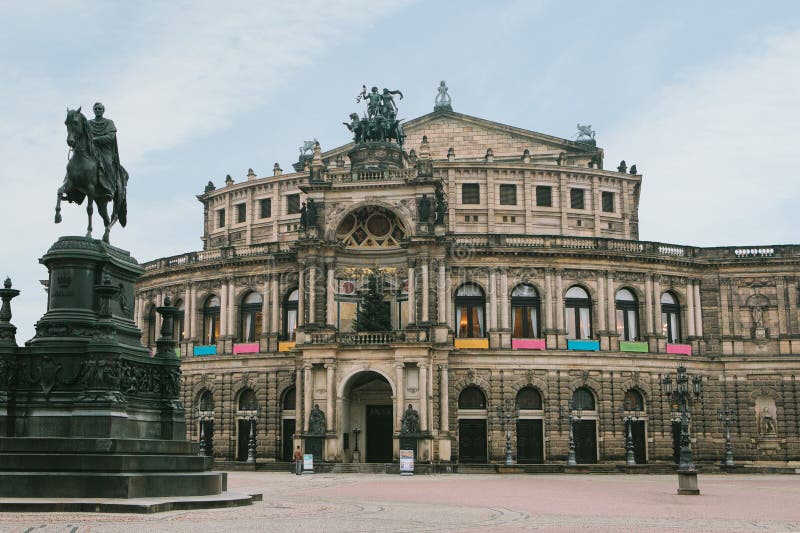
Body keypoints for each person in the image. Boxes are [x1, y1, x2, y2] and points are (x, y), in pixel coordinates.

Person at [89, 102, 124, 202]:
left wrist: (96, 139)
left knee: (108, 164)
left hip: (105, 151)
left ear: (103, 110)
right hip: (92, 149)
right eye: (96, 109)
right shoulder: (88, 123)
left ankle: (110, 188)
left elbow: (111, 137)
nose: (97, 110)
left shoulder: (109, 122)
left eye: (99, 109)